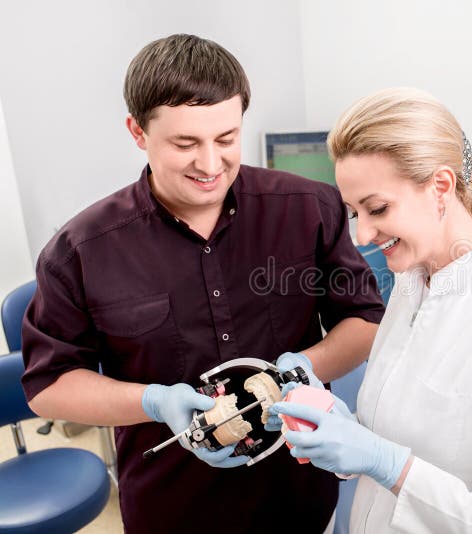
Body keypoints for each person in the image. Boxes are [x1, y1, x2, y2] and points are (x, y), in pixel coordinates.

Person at [20, 34, 384, 533]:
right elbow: (49, 386)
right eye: (185, 144)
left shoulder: (310, 208)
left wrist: (305, 367)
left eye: (226, 139)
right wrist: (152, 401)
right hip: (173, 506)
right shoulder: (80, 251)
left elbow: (365, 319)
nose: (211, 165)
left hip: (297, 493)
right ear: (137, 131)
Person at [270, 87, 472, 533]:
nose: (362, 235)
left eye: (377, 209)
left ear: (441, 187)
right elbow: (397, 438)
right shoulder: (412, 284)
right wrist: (343, 432)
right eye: (354, 213)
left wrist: (388, 463)